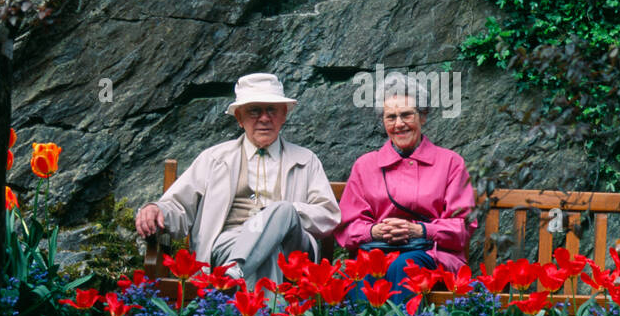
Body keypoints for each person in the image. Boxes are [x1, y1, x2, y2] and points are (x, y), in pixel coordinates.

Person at [135, 73, 339, 292]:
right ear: (239, 119)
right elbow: (178, 207)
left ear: (284, 115)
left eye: (271, 109)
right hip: (229, 242)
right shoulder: (214, 159)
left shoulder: (305, 160)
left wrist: (280, 215)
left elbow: (328, 215)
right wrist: (156, 209)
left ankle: (236, 272)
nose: (264, 118)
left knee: (283, 210)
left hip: (293, 251)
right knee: (267, 254)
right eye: (254, 111)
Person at [335, 72, 476, 303]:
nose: (399, 124)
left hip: (434, 255)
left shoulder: (451, 163)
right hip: (377, 252)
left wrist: (419, 231)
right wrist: (374, 232)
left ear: (423, 117)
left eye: (407, 115)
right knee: (368, 269)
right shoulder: (365, 165)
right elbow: (348, 227)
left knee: (404, 265)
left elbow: (461, 229)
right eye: (390, 117)